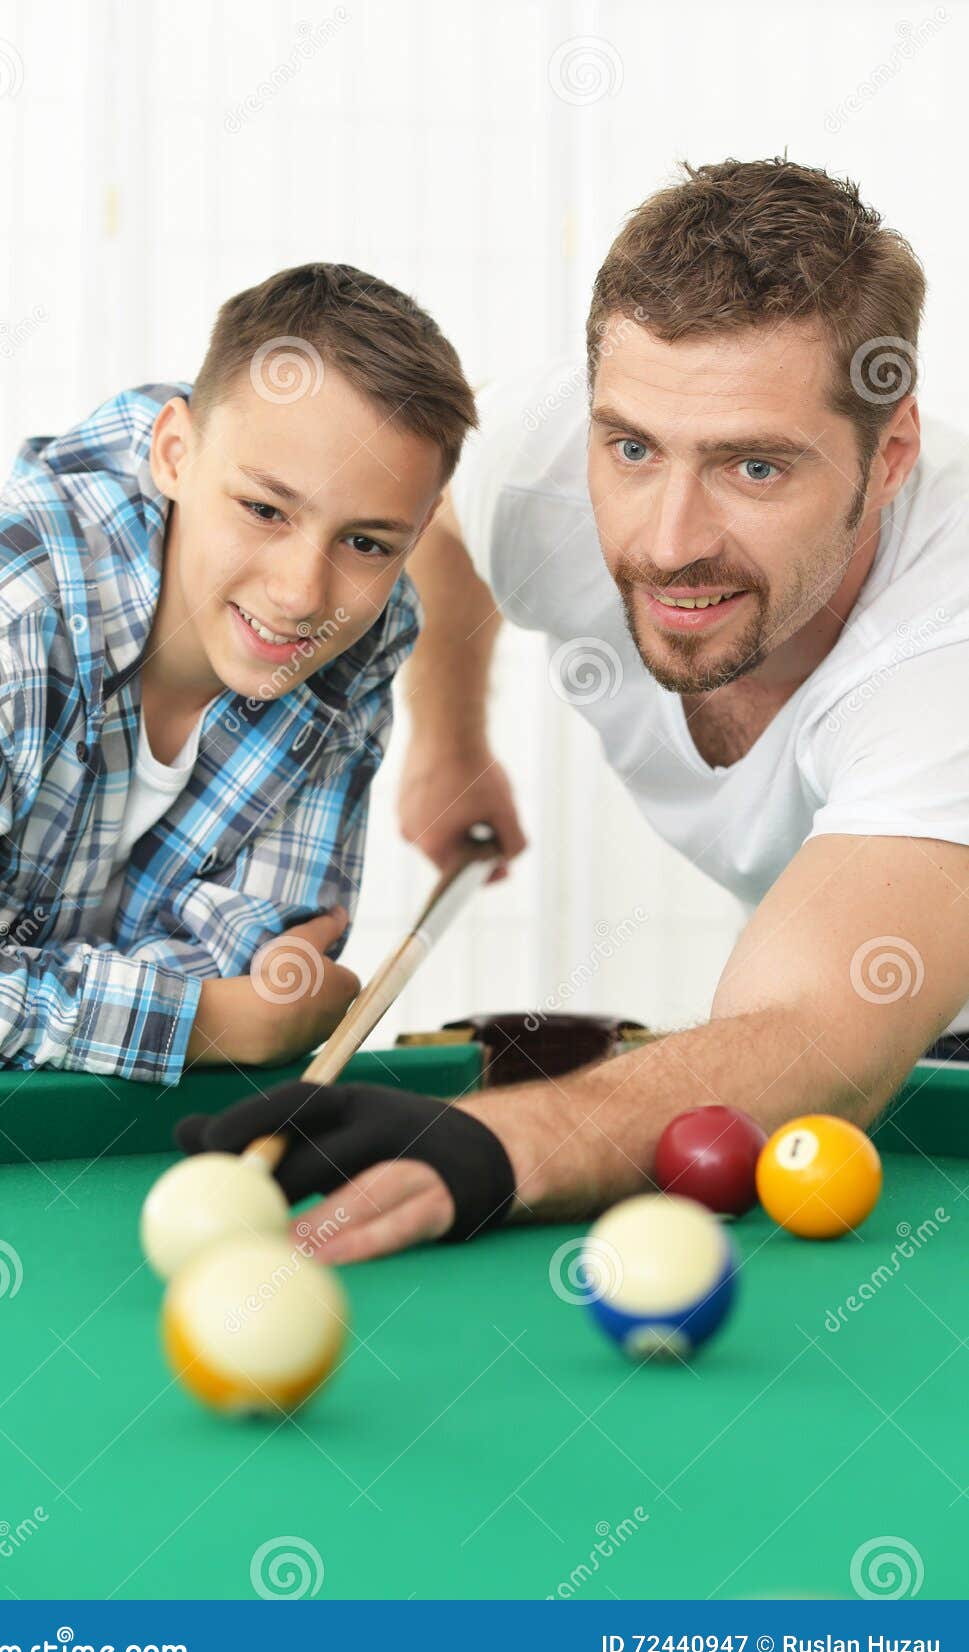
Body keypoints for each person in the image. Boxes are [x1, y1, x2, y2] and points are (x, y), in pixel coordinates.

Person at [186, 158, 969, 1262]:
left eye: (754, 466)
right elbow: (447, 526)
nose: (666, 538)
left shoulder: (948, 642)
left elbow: (808, 1031)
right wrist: (453, 743)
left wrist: (494, 1146)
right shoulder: (540, 458)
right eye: (634, 449)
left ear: (887, 458)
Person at [0, 264, 476, 1080]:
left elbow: (264, 955)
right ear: (174, 453)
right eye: (265, 510)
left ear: (413, 537)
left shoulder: (368, 632)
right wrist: (204, 1025)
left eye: (366, 544)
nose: (299, 593)